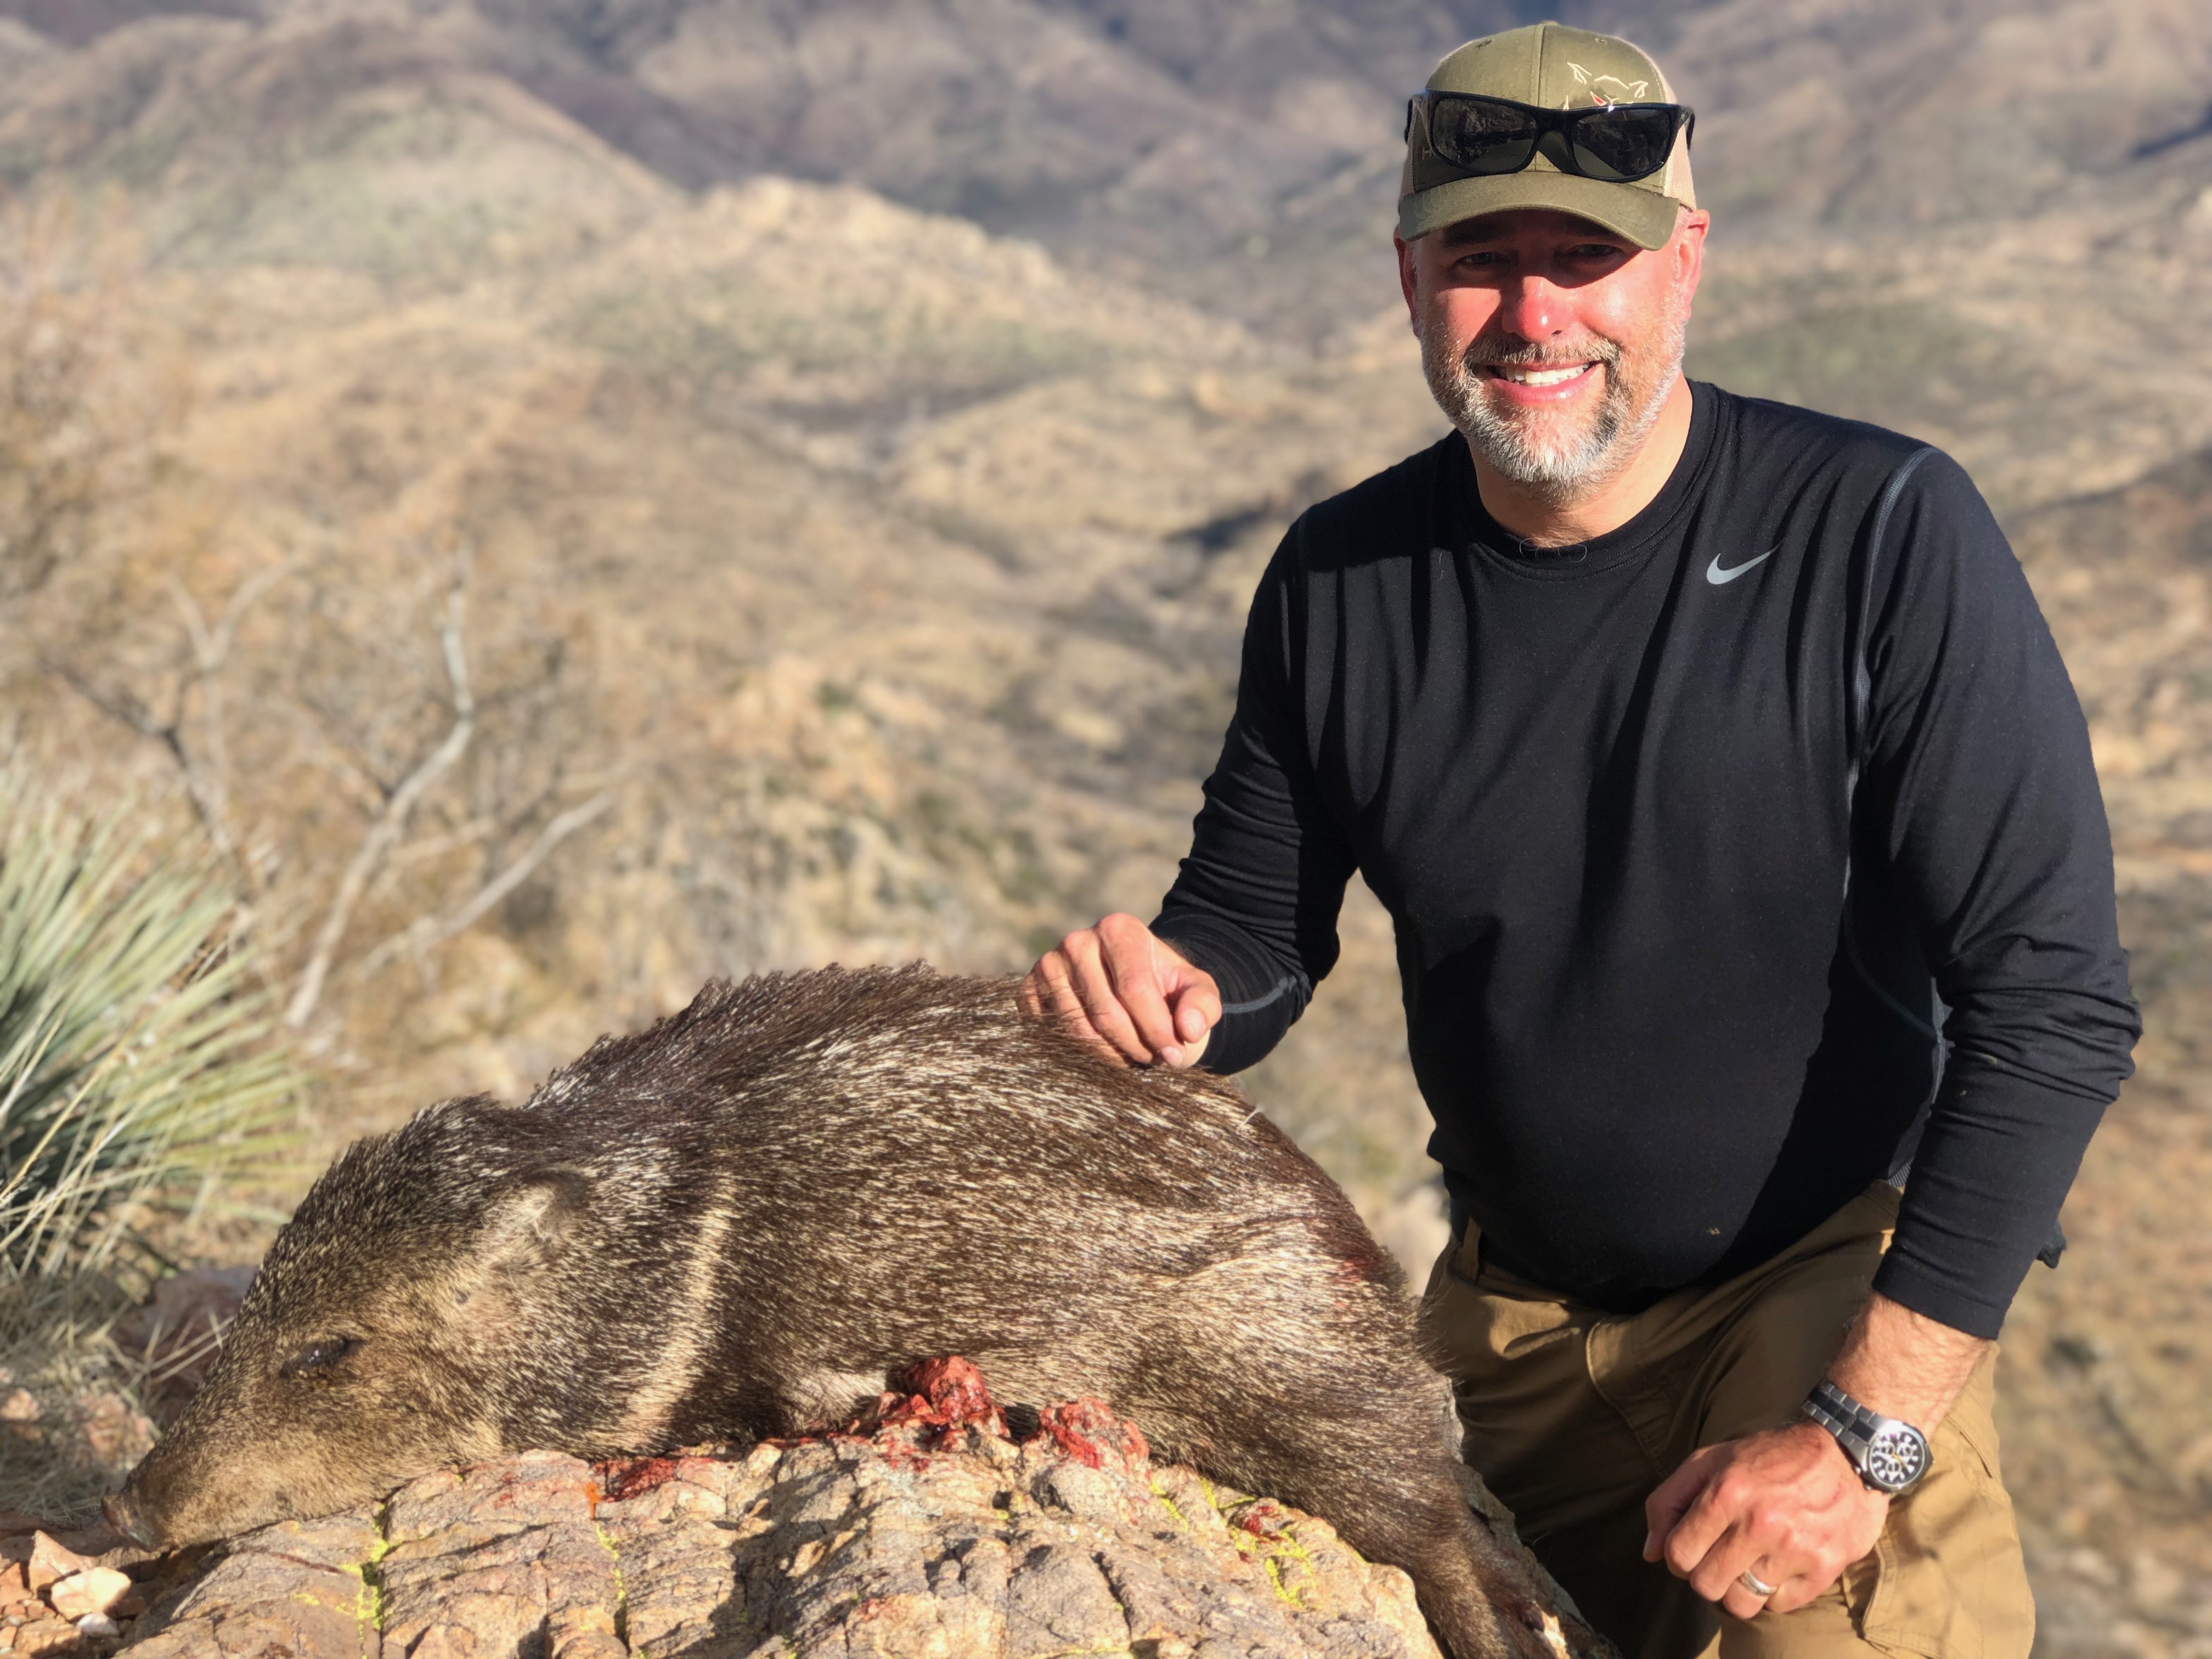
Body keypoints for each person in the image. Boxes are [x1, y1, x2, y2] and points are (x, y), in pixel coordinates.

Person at [1020, 20, 2139, 1659]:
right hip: (1502, 1321)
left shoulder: (1885, 534)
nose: (1536, 316)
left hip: (1815, 1294)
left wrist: (1861, 1438)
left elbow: (2054, 1007)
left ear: (1683, 266)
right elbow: (1254, 933)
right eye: (1486, 260)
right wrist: (1166, 990)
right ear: (1412, 282)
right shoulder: (1339, 583)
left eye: (1587, 259)